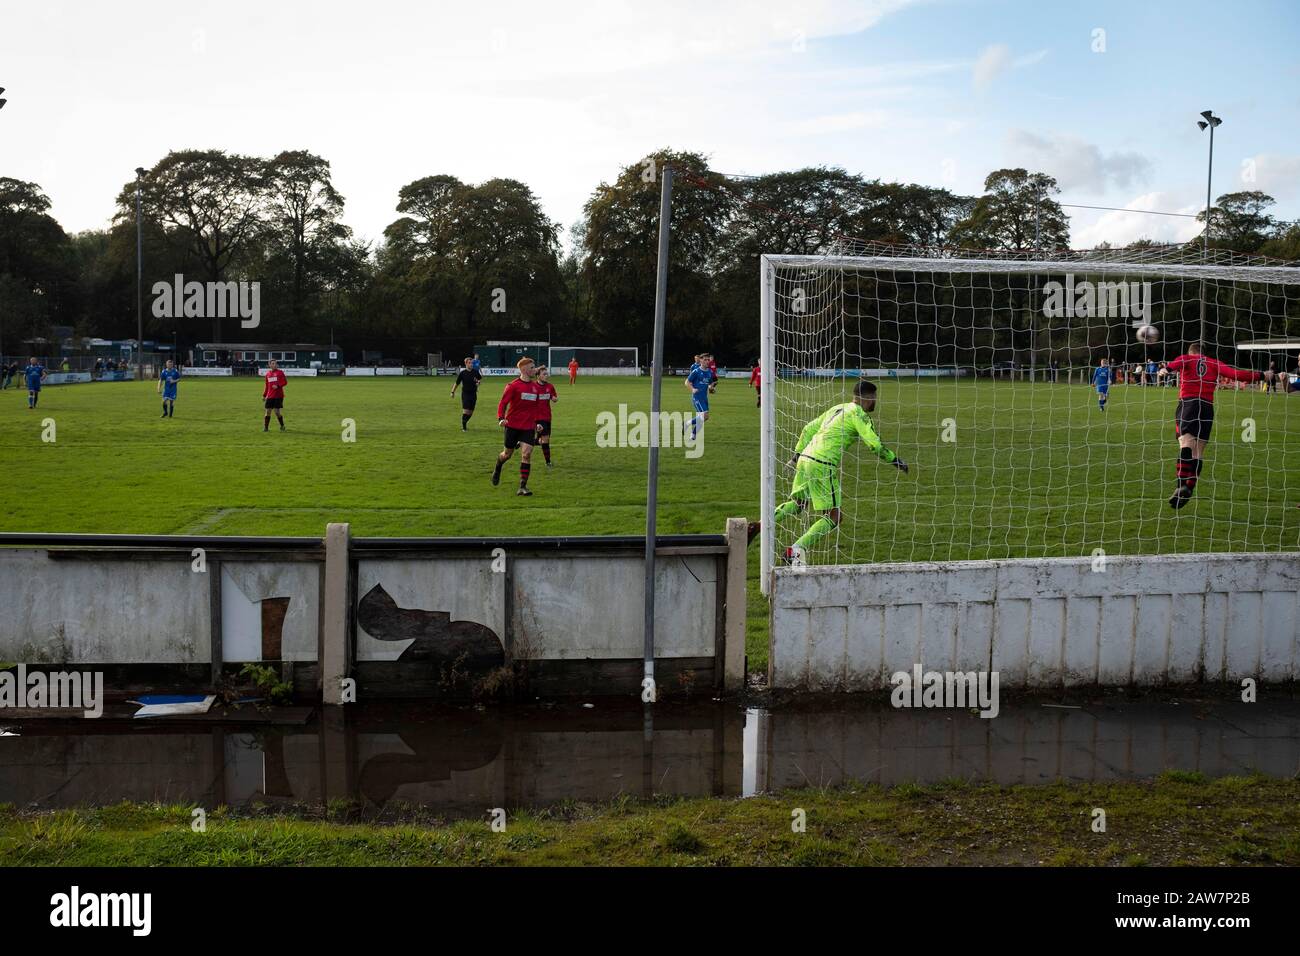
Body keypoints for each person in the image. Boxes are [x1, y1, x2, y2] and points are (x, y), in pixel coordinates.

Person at [776, 379, 909, 567]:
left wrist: (796, 456)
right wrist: (895, 460)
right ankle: (794, 552)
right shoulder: (859, 414)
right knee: (834, 517)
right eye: (874, 398)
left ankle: (759, 525)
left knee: (798, 504)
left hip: (805, 458)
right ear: (868, 398)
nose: (875, 402)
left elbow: (808, 429)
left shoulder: (838, 408)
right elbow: (874, 444)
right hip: (822, 463)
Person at [1165, 343, 1260, 509]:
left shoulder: (1186, 358)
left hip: (1189, 404)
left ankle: (1180, 485)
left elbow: (1172, 366)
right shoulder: (1214, 363)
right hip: (1207, 407)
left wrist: (1165, 369)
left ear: (1191, 352)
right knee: (1198, 451)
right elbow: (1236, 374)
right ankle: (1189, 487)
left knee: (1186, 443)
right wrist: (1262, 375)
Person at [492, 357, 545, 496]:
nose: (535, 370)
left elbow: (535, 408)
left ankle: (523, 487)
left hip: (528, 427)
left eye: (534, 367)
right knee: (507, 455)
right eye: (532, 367)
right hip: (512, 426)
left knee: (526, 454)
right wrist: (501, 418)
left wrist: (537, 422)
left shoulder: (535, 387)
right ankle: (498, 466)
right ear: (523, 369)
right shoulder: (513, 386)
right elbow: (503, 403)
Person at [534, 364, 558, 467]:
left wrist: (554, 398)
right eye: (544, 374)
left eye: (547, 374)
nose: (546, 376)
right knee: (545, 439)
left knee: (542, 440)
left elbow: (554, 397)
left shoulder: (550, 386)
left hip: (547, 417)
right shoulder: (533, 387)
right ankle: (548, 462)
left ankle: (525, 441)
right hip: (537, 417)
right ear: (538, 376)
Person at [450, 357, 482, 430]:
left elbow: (479, 379)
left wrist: (478, 383)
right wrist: (452, 392)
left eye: (472, 363)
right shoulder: (462, 373)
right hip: (465, 394)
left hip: (473, 394)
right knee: (466, 411)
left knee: (470, 412)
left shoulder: (475, 372)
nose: (471, 364)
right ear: (466, 364)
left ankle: (464, 422)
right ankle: (464, 427)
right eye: (470, 363)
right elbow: (456, 383)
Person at [686, 355, 712, 440]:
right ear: (701, 361)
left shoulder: (709, 372)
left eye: (708, 360)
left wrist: (711, 388)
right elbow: (687, 382)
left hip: (704, 398)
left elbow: (709, 383)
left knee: (704, 418)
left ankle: (692, 434)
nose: (707, 361)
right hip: (697, 397)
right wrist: (692, 389)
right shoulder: (696, 371)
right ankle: (687, 424)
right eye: (705, 360)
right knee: (704, 415)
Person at [262, 358, 288, 431]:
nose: (275, 365)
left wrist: (278, 385)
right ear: (269, 365)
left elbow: (285, 382)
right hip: (270, 396)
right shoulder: (268, 374)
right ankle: (266, 428)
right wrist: (264, 395)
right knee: (268, 412)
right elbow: (267, 386)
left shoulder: (280, 372)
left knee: (277, 412)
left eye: (275, 363)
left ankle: (282, 426)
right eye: (273, 363)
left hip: (278, 396)